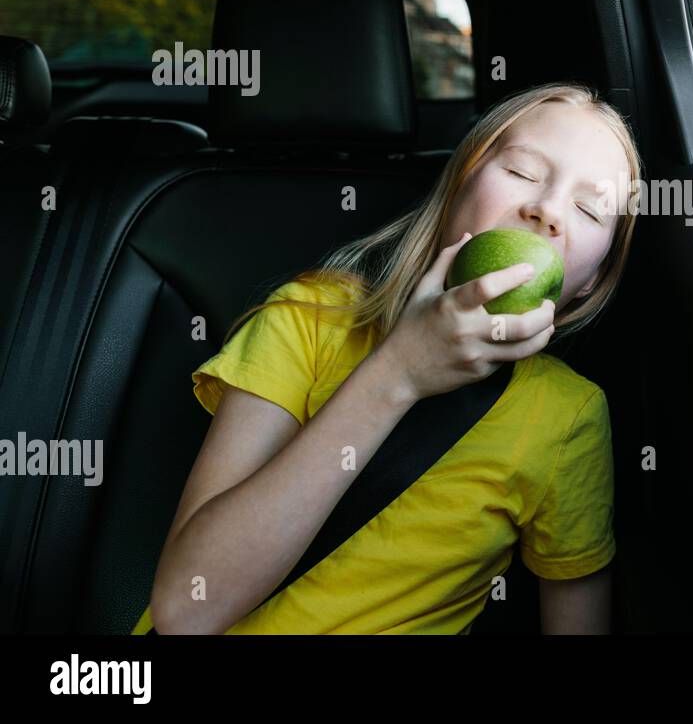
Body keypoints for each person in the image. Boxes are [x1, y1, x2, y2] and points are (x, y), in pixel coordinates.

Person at [131, 81, 642, 634]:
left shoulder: (567, 417)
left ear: (591, 282)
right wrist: (397, 374)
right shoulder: (311, 319)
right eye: (521, 172)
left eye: (591, 209)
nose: (546, 210)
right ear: (459, 183)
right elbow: (187, 608)